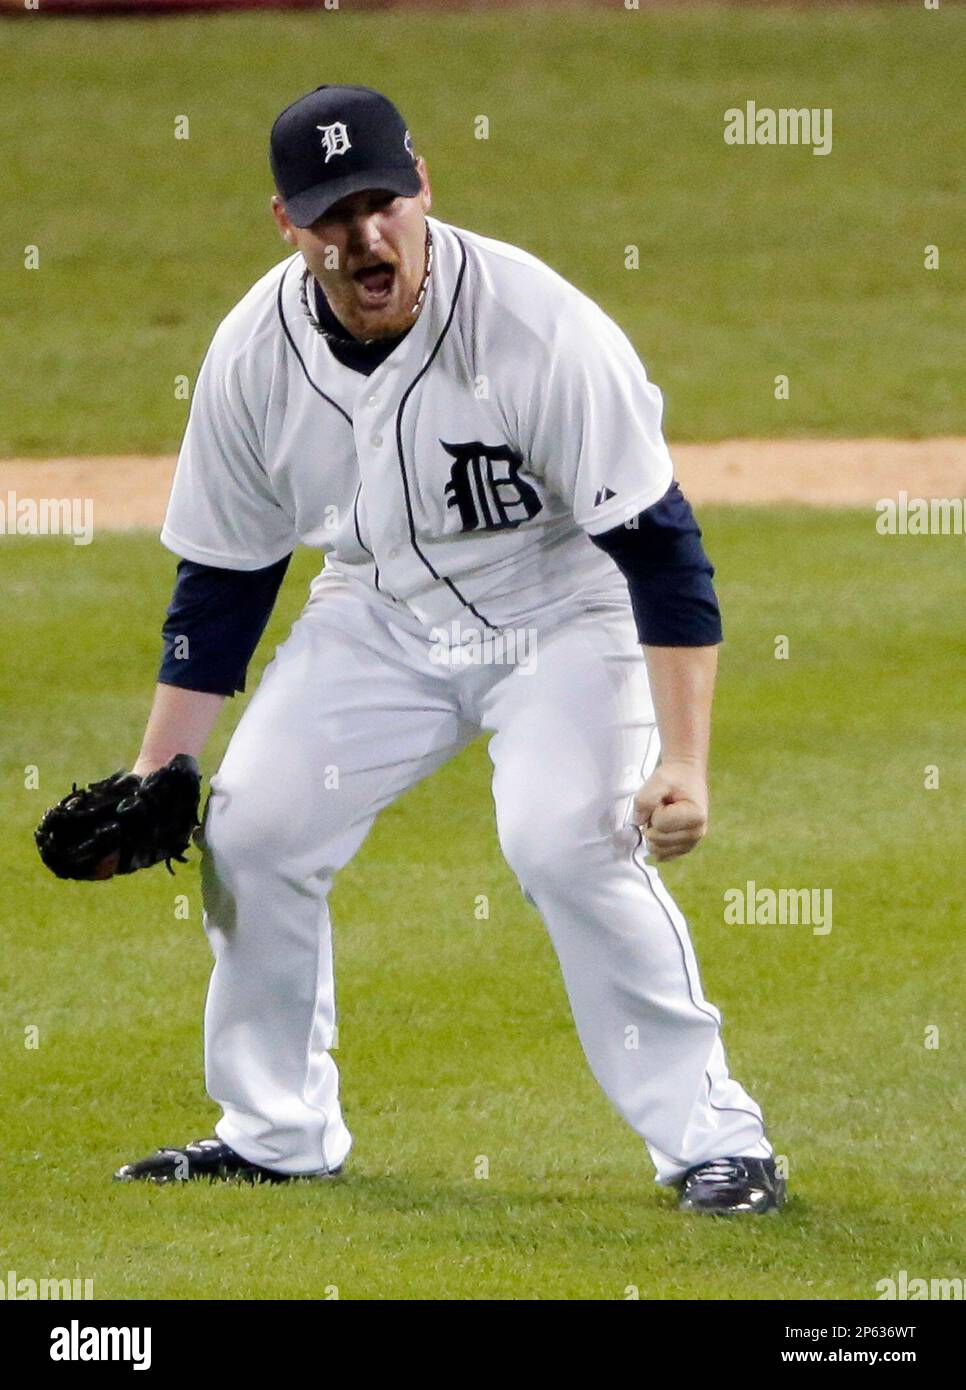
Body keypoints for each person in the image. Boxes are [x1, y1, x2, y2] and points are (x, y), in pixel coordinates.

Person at [113, 83, 784, 1214]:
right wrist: (157, 771)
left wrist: (683, 760)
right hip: (377, 615)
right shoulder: (251, 355)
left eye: (381, 201)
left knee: (565, 841)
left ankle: (716, 1138)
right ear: (287, 222)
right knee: (254, 826)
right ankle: (276, 1131)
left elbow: (663, 551)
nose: (363, 236)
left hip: (564, 609)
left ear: (424, 186)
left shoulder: (540, 326)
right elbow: (225, 580)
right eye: (331, 214)